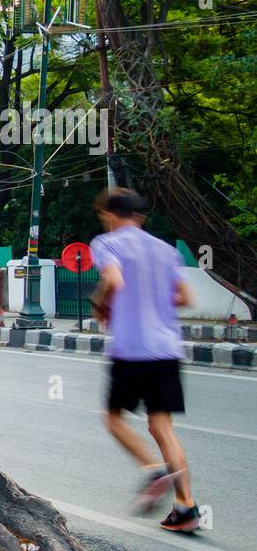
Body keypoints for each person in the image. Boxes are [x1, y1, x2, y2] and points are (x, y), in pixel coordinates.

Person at [89, 188, 201, 532]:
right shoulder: (166, 251)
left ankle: (153, 469)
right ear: (140, 217)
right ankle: (186, 508)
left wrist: (102, 305)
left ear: (110, 215)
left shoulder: (107, 244)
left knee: (114, 419)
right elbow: (185, 297)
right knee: (162, 426)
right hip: (167, 349)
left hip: (132, 349)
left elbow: (113, 279)